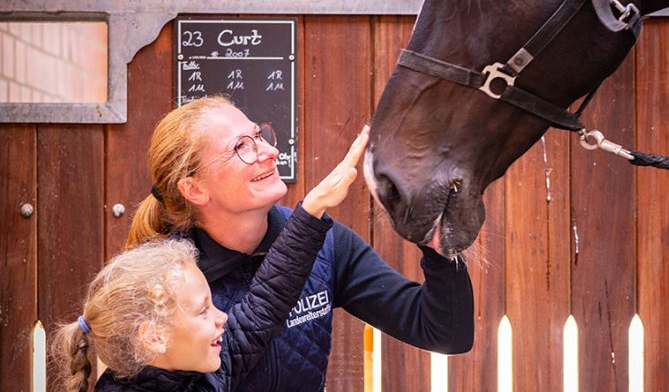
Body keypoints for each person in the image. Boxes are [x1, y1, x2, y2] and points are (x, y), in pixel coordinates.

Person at [126, 95, 474, 391]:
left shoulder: (327, 244)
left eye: (258, 136)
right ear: (194, 188)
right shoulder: (165, 280)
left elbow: (444, 332)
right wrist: (310, 215)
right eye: (241, 147)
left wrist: (440, 242)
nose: (269, 152)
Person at [51, 125, 370, 391]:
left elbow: (263, 308)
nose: (223, 317)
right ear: (154, 336)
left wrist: (313, 210)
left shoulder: (208, 376)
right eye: (203, 310)